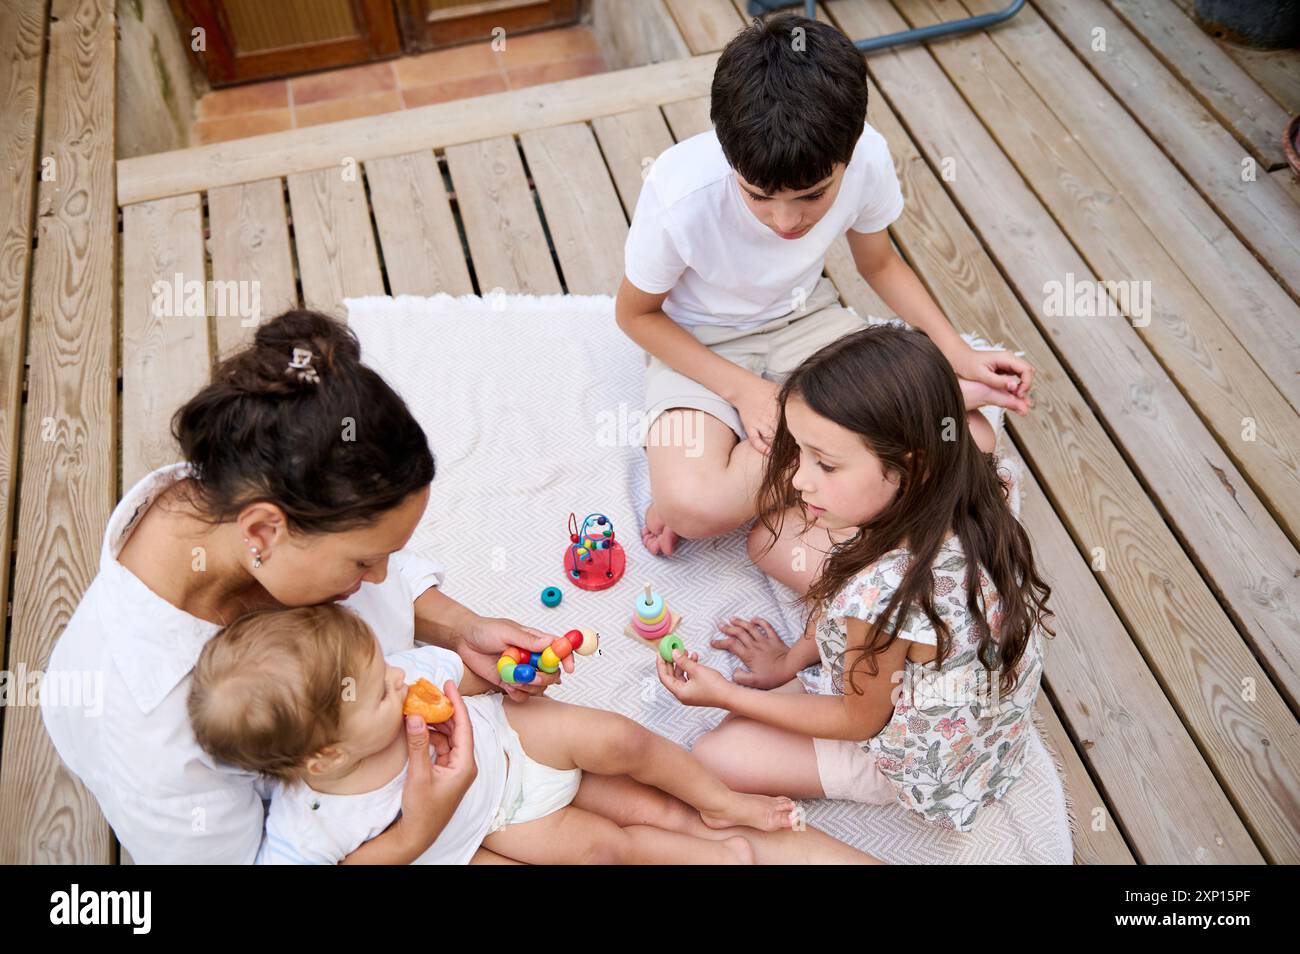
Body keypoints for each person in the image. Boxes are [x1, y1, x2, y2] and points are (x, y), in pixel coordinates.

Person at [40, 309, 572, 864]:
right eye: (364, 562)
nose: (382, 577)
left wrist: (460, 630)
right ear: (265, 530)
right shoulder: (148, 731)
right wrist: (415, 834)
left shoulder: (240, 508)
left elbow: (378, 584)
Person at [616, 13, 1032, 556]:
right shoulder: (679, 190)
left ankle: (801, 457)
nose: (785, 222)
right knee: (691, 506)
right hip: (699, 343)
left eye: (812, 195)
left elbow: (879, 265)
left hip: (808, 320)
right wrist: (747, 393)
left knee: (974, 439)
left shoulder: (869, 157)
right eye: (758, 196)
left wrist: (956, 351)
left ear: (851, 149)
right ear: (725, 150)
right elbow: (635, 315)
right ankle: (847, 450)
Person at [658, 325, 1055, 833]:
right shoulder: (976, 487)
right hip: (966, 709)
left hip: (922, 756)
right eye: (801, 452)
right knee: (773, 550)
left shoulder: (881, 597)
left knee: (715, 752)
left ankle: (867, 774)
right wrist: (788, 661)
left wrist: (726, 695)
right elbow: (843, 596)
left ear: (912, 468)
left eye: (825, 463)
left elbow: (858, 719)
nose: (799, 479)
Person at [190, 604, 799, 864]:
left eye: (386, 666)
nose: (401, 676)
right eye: (380, 691)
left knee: (620, 740)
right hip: (494, 825)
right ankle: (717, 856)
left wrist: (512, 672)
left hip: (512, 735)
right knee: (603, 850)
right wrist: (411, 838)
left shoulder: (408, 680)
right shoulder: (311, 821)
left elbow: (475, 678)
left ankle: (718, 803)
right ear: (326, 756)